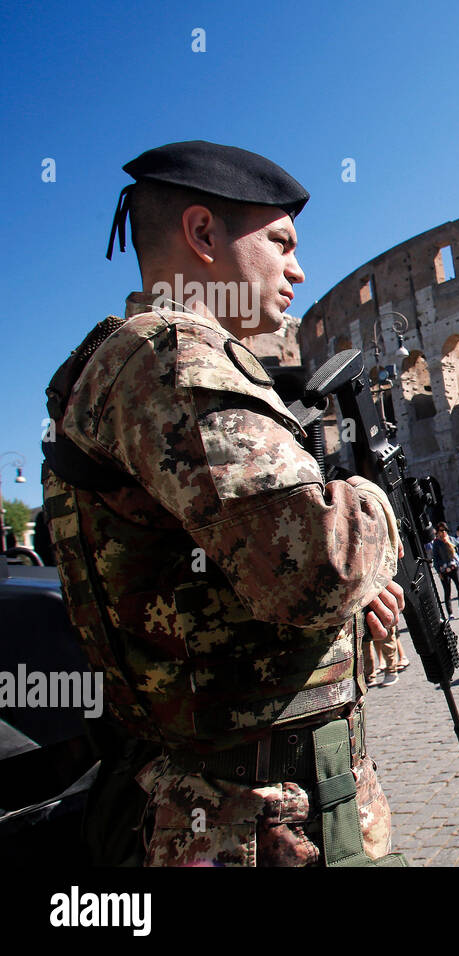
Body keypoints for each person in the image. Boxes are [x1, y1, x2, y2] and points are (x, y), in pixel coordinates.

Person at [41, 141, 405, 866]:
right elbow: (317, 565)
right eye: (280, 242)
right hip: (251, 824)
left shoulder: (142, 361)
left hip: (267, 805)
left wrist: (352, 610)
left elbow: (212, 589)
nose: (298, 268)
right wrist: (371, 499)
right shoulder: (173, 356)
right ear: (203, 234)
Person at [432, 522, 459, 618]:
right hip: (444, 570)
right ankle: (450, 613)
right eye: (441, 530)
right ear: (438, 532)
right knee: (447, 591)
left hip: (454, 567)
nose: (443, 532)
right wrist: (438, 571)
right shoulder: (436, 543)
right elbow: (435, 558)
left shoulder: (452, 539)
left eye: (444, 530)